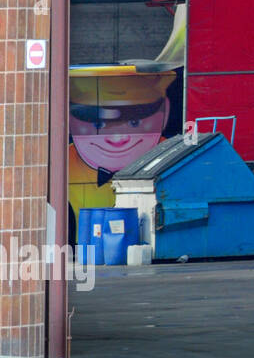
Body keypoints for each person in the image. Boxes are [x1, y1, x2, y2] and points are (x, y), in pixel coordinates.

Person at [68, 65, 177, 240]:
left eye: (134, 121)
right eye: (98, 124)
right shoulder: (62, 165)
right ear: (68, 119)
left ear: (165, 111)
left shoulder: (173, 159)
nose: (118, 138)